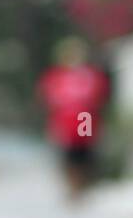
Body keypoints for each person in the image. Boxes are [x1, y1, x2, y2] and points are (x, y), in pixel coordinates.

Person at [35, 36, 109, 204]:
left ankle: (82, 186)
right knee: (67, 157)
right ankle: (72, 187)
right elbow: (47, 98)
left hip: (85, 121)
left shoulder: (91, 76)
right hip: (65, 123)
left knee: (84, 155)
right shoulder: (56, 77)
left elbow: (99, 98)